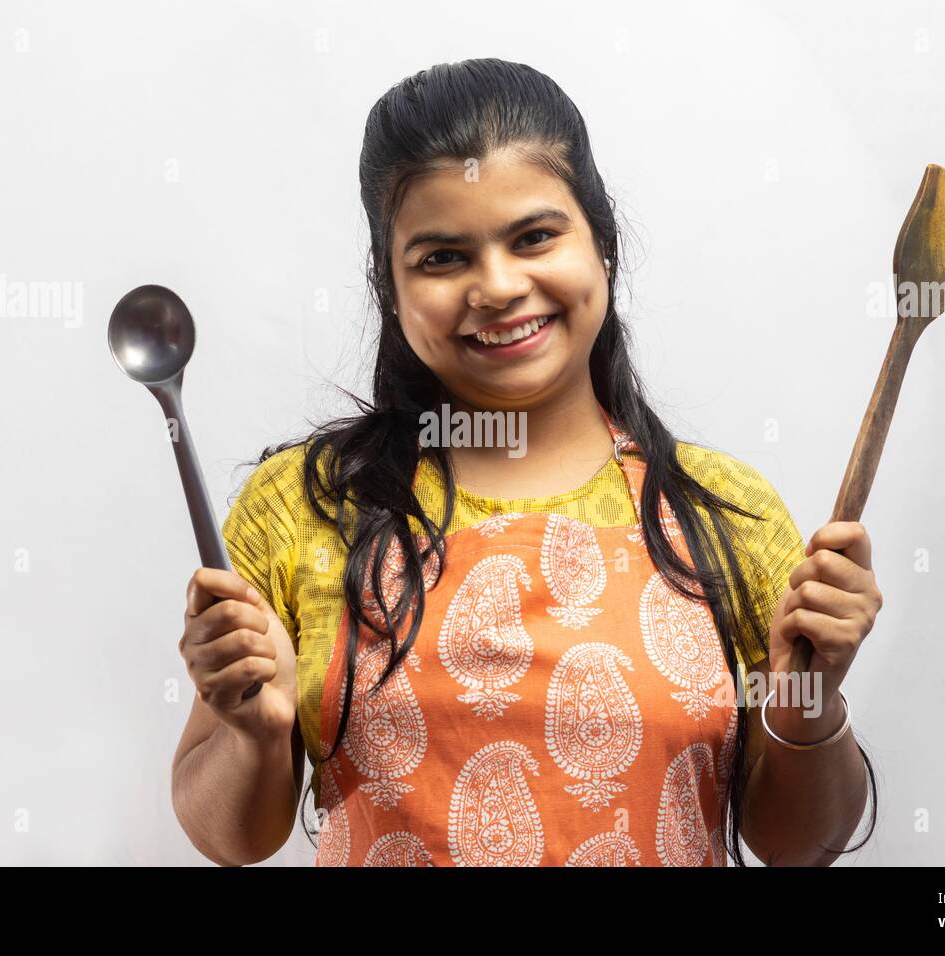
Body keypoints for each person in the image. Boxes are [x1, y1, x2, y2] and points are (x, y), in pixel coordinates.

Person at [171, 58, 882, 867]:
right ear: (390, 287)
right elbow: (229, 837)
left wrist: (810, 702)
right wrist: (251, 732)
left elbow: (800, 844)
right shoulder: (305, 506)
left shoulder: (725, 515)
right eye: (442, 258)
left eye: (535, 237)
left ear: (601, 245)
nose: (498, 287)